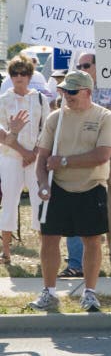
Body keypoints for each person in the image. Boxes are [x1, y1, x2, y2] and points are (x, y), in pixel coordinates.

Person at [29, 70, 111, 312]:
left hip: (91, 187)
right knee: (48, 240)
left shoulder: (105, 117)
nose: (67, 95)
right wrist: (43, 184)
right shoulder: (55, 118)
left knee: (92, 241)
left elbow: (103, 155)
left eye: (72, 91)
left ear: (88, 92)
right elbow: (42, 158)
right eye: (64, 90)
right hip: (58, 187)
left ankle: (89, 293)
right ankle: (49, 292)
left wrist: (65, 161)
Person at [60, 52, 111, 280]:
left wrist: (95, 111)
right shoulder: (72, 88)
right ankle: (80, 257)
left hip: (108, 148)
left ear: (97, 66)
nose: (82, 68)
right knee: (80, 196)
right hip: (80, 151)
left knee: (109, 196)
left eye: (86, 64)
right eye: (79, 65)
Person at [1, 56, 50, 263]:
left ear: (30, 76)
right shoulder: (3, 100)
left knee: (39, 201)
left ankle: (44, 250)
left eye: (22, 73)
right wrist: (24, 152)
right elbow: (2, 133)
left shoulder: (40, 99)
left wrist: (35, 152)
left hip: (36, 159)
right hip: (11, 157)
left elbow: (47, 128)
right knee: (10, 200)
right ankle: (5, 251)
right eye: (14, 73)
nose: (18, 77)